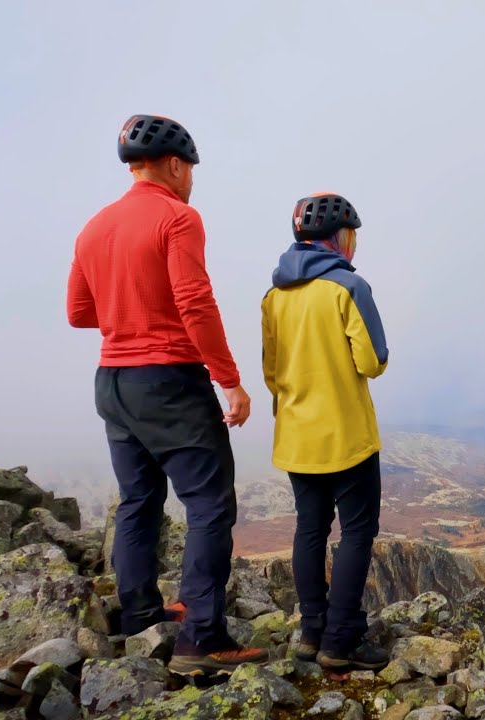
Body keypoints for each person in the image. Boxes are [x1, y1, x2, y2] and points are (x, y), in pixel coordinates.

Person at [66, 114, 265, 674]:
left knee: (138, 499)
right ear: (175, 164)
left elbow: (78, 312)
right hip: (168, 379)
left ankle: (139, 616)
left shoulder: (93, 226)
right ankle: (202, 638)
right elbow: (194, 302)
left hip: (112, 381)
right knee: (209, 503)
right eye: (192, 170)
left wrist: (127, 309)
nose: (192, 181)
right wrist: (230, 380)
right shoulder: (179, 217)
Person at [261, 192, 390, 671]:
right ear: (338, 237)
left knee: (309, 529)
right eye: (350, 235)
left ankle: (311, 632)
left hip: (296, 436)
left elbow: (272, 372)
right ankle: (342, 640)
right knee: (356, 532)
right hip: (347, 435)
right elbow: (372, 361)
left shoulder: (274, 295)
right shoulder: (348, 287)